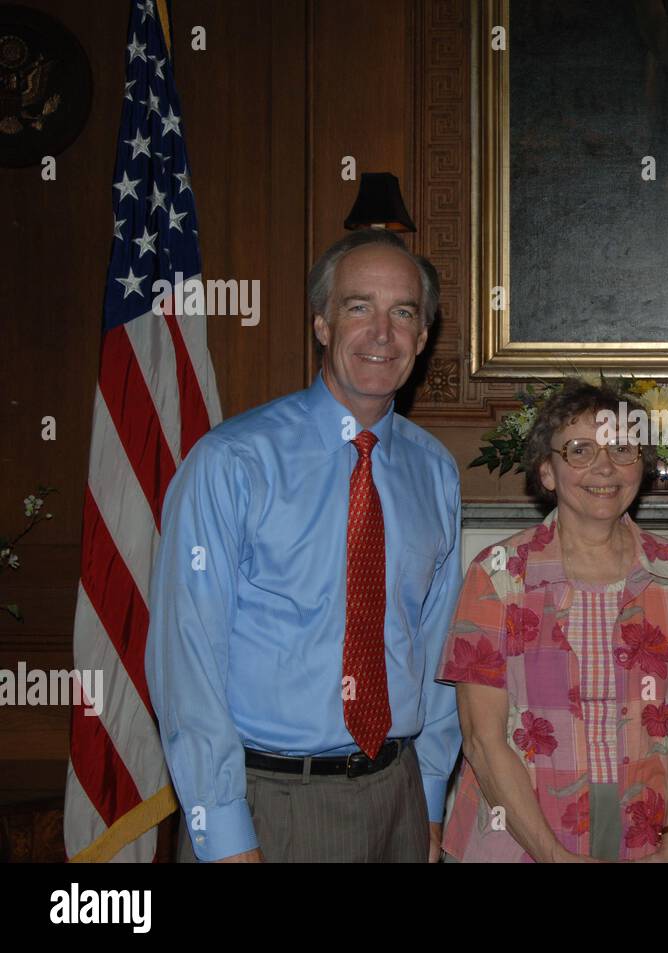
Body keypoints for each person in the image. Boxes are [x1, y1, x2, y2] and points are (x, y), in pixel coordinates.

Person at [145, 229, 462, 862]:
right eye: (358, 306)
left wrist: (428, 800)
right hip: (267, 808)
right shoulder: (231, 462)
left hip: (398, 799)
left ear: (422, 339)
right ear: (321, 323)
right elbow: (187, 663)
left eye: (403, 312)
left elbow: (439, 654)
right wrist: (223, 836)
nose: (382, 331)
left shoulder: (435, 473)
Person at [436, 382, 668, 862]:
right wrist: (552, 855)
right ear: (548, 470)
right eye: (580, 450)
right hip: (518, 836)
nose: (604, 467)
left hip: (647, 835)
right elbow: (483, 739)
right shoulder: (497, 574)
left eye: (622, 448)